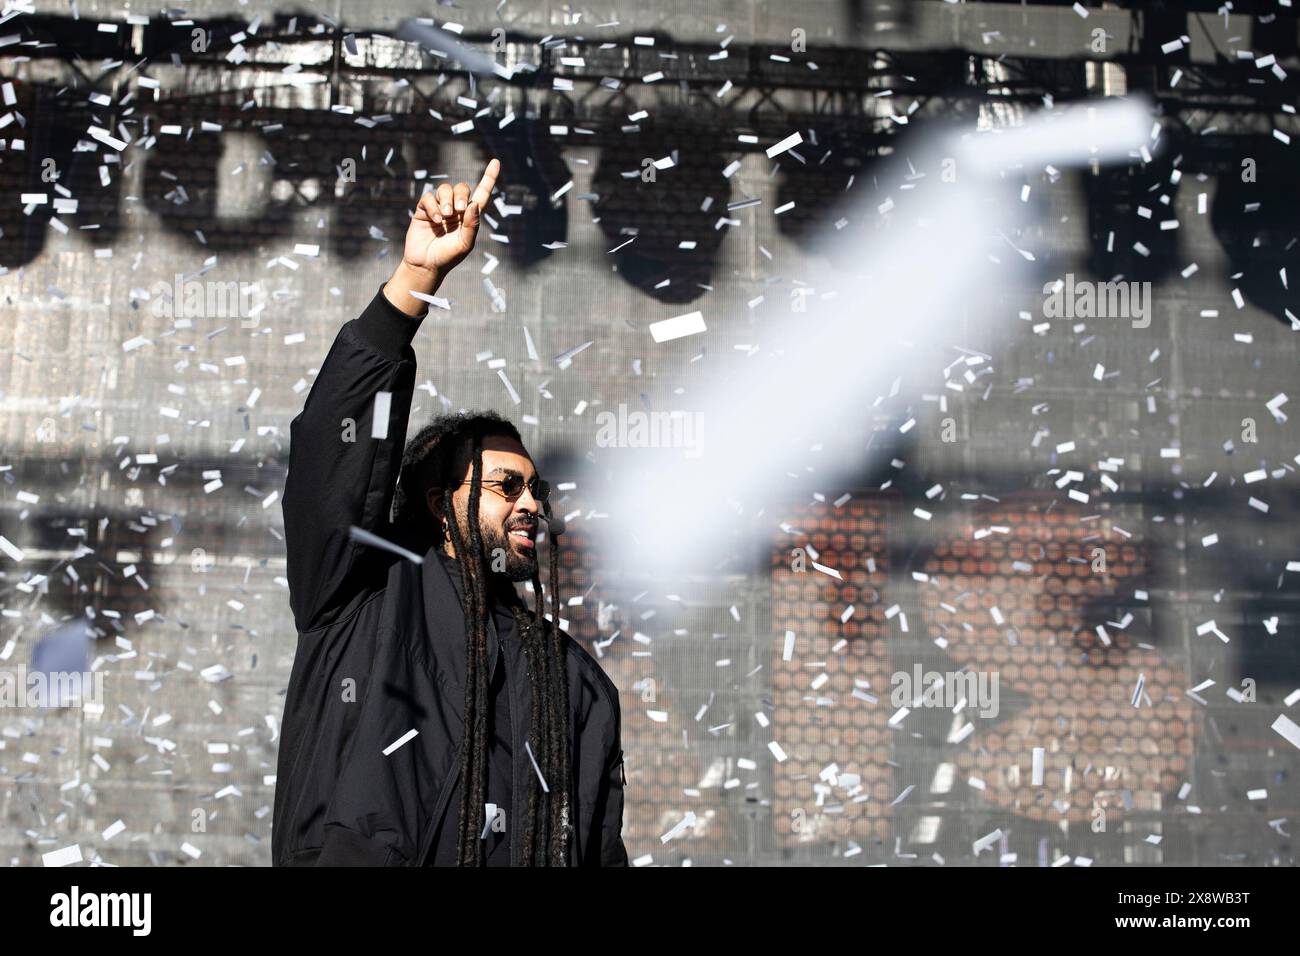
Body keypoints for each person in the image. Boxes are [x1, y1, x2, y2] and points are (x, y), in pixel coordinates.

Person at [271, 158, 629, 866]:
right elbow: (330, 451)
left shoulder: (574, 680)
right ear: (440, 504)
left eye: (537, 493)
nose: (531, 506)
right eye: (504, 488)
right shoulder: (360, 600)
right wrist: (416, 283)